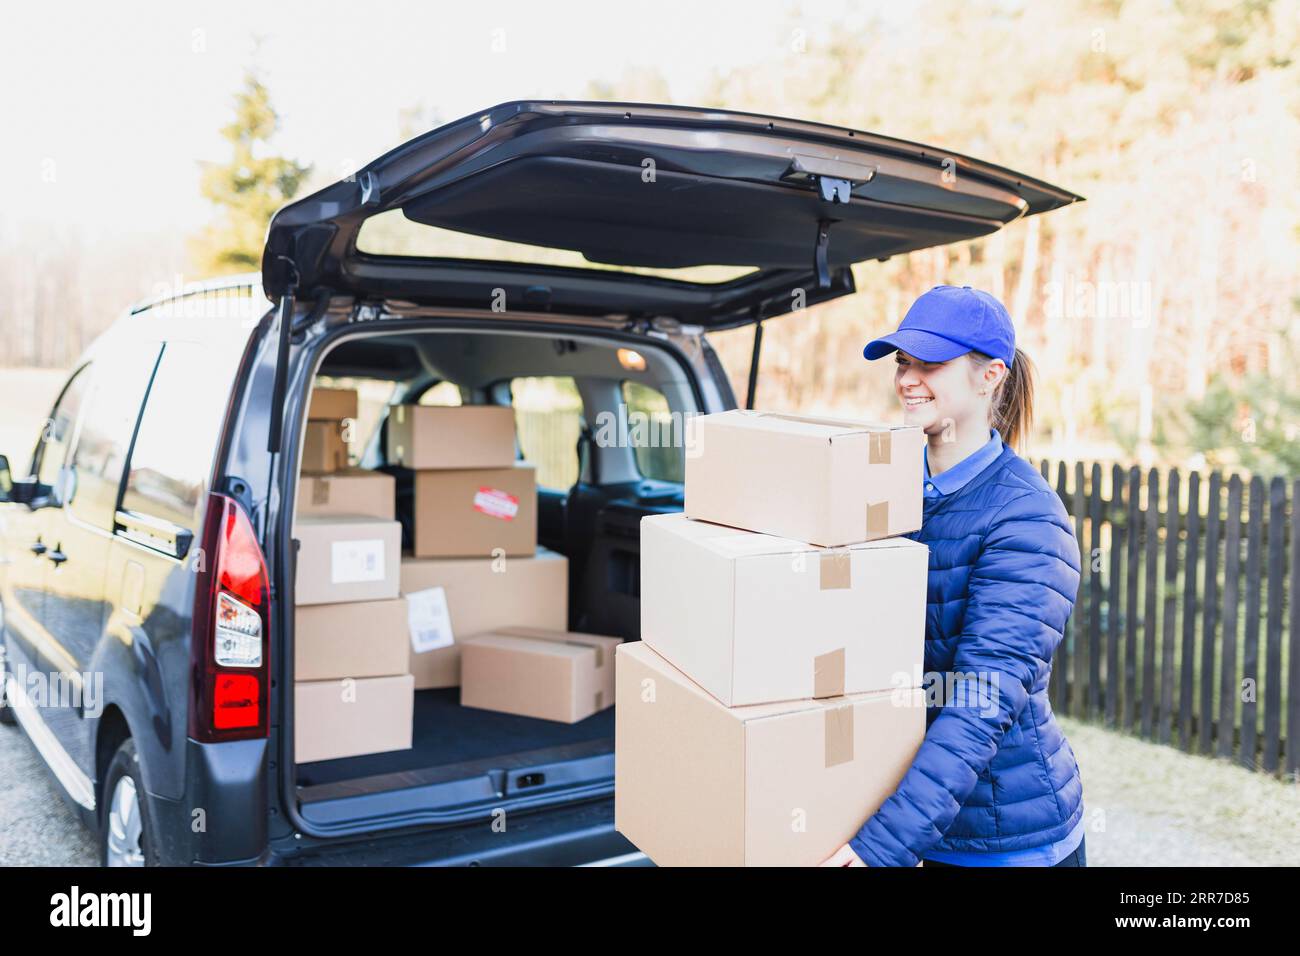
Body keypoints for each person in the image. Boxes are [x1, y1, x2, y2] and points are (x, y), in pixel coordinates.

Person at [820, 285, 1086, 868]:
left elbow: (980, 702)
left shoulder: (1028, 519)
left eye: (930, 363)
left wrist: (883, 846)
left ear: (991, 375)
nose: (908, 379)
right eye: (902, 362)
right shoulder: (885, 488)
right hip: (915, 814)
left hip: (1003, 837)